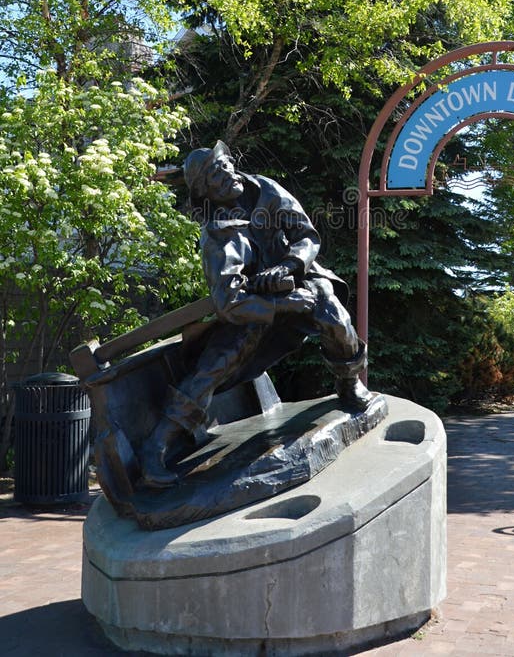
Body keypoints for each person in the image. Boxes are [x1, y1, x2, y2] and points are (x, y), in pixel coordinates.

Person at [140, 141, 373, 488]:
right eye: (214, 177)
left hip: (300, 280)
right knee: (217, 362)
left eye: (225, 166)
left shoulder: (265, 190)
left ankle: (349, 381)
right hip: (252, 308)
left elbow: (306, 235)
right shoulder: (218, 235)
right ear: (206, 193)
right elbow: (228, 302)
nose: (226, 176)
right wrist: (280, 305)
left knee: (335, 317)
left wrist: (290, 265)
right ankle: (157, 445)